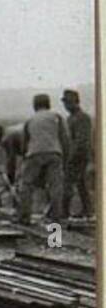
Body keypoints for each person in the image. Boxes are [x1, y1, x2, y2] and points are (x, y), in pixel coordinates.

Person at [19, 93, 69, 224]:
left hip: (34, 153)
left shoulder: (30, 120)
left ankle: (24, 217)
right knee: (55, 185)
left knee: (26, 184)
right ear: (48, 104)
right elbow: (65, 139)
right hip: (54, 153)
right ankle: (56, 217)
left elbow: (25, 142)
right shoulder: (57, 117)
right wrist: (64, 157)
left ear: (35, 105)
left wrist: (25, 157)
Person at [61, 89, 93, 217]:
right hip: (73, 155)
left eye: (68, 102)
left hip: (79, 156)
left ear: (75, 102)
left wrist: (71, 157)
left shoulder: (82, 118)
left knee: (69, 183)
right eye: (65, 103)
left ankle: (65, 212)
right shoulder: (70, 118)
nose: (66, 105)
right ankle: (87, 210)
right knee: (80, 184)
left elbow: (81, 141)